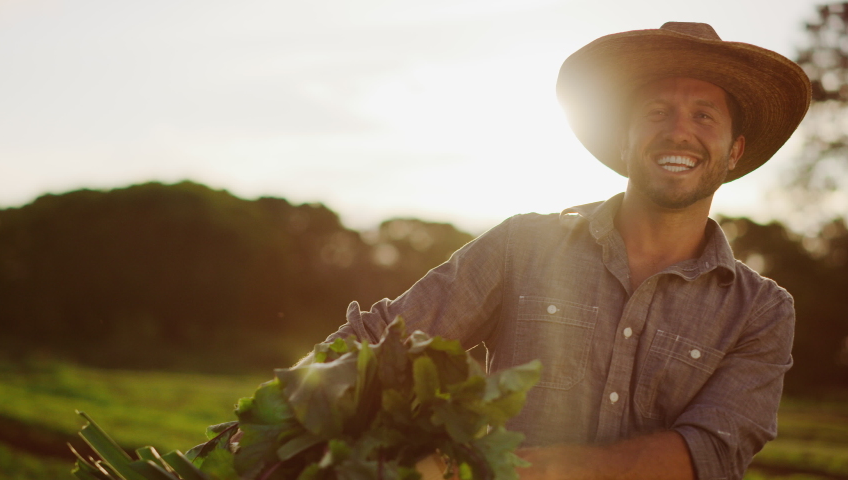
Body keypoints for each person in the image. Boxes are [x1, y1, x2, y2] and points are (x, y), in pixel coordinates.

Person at [324, 22, 811, 480]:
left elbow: (714, 450)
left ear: (734, 151)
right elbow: (381, 343)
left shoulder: (760, 311)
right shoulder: (523, 246)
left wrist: (527, 469)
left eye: (703, 115)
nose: (679, 131)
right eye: (656, 112)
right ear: (624, 140)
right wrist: (272, 424)